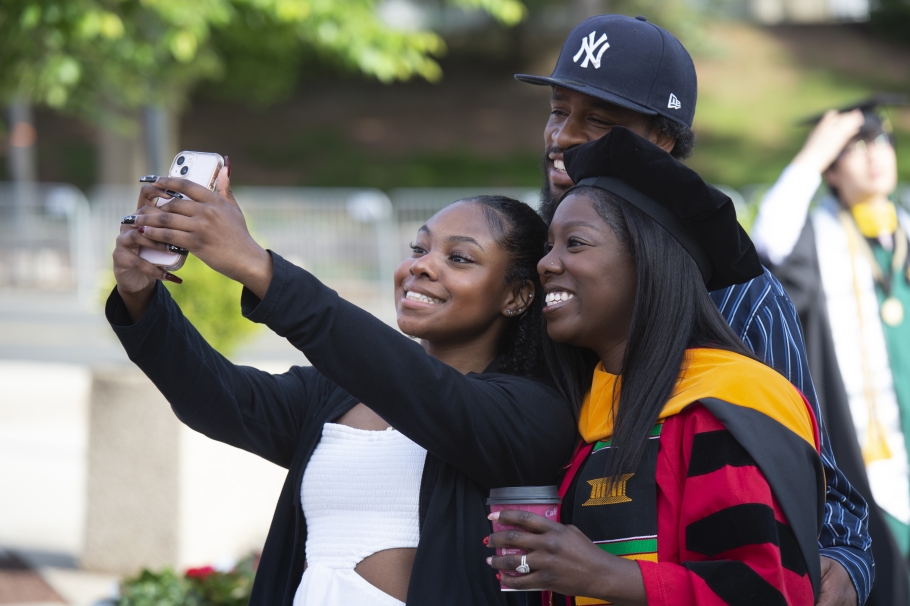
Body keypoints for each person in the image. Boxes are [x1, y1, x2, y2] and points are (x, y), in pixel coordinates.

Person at [515, 14, 872, 605]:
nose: (565, 136)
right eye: (558, 111)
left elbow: (815, 481)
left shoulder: (742, 300)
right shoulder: (530, 269)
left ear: (661, 142)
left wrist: (843, 566)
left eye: (599, 121)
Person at [108, 173, 577, 605]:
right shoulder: (331, 396)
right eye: (418, 249)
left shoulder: (531, 413)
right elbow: (217, 399)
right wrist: (140, 295)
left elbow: (420, 389)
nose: (422, 266)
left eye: (459, 258)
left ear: (517, 294)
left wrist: (255, 265)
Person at [488, 127, 824, 605]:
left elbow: (770, 591)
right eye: (549, 247)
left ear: (647, 261)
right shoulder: (595, 412)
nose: (546, 264)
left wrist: (604, 576)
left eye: (575, 243)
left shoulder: (727, 403)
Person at [751, 96, 910, 606]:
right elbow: (768, 245)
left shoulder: (904, 227)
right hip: (866, 454)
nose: (873, 155)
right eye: (853, 148)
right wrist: (811, 157)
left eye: (879, 141)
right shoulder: (817, 239)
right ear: (831, 171)